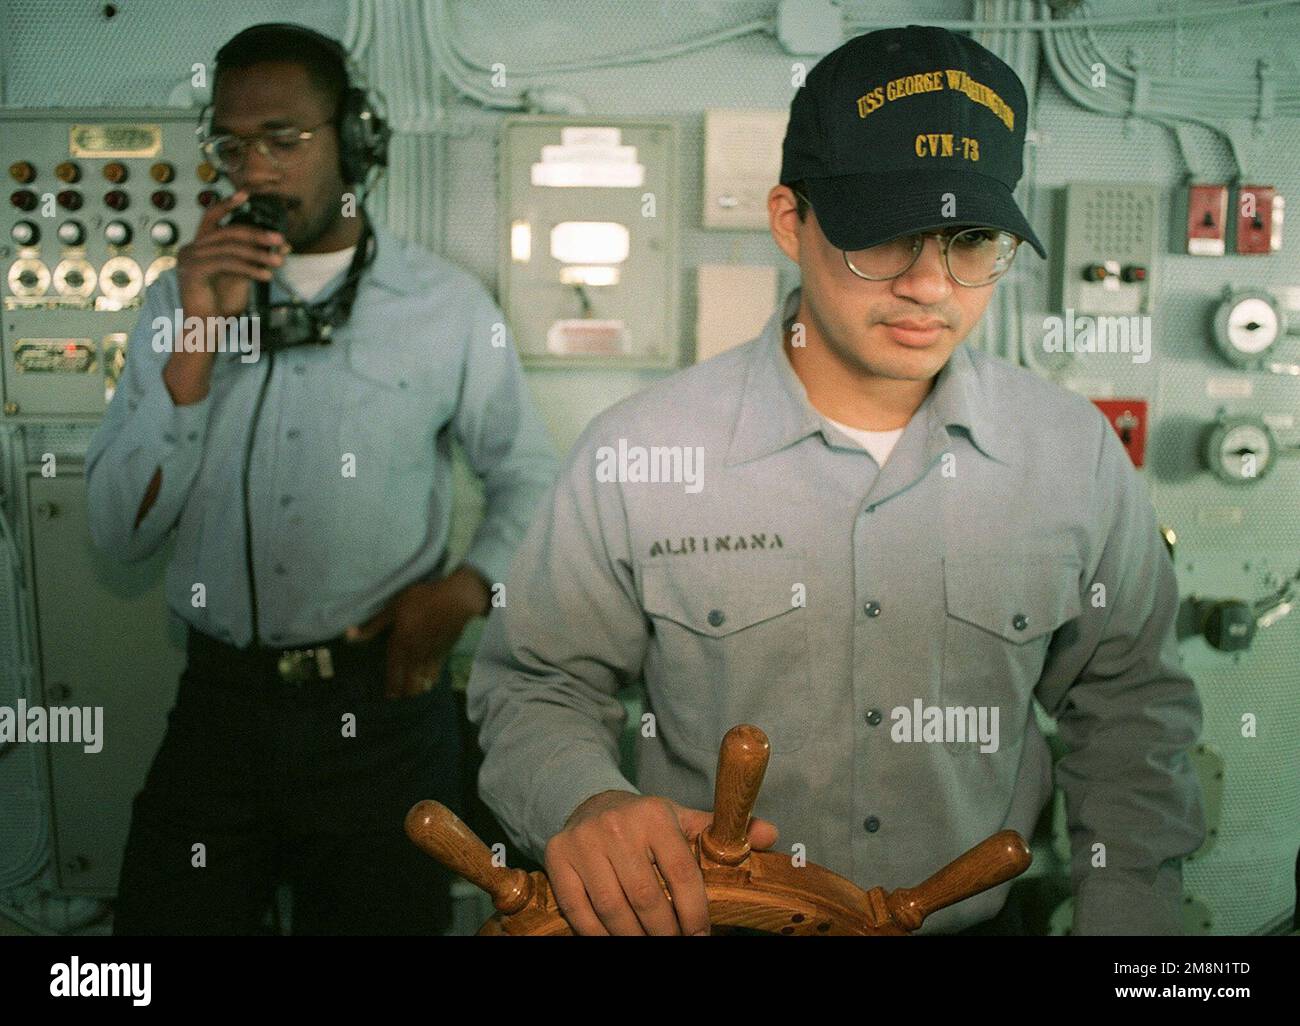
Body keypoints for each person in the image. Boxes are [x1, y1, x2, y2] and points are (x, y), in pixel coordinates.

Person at [466, 24, 1205, 936]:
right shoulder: (642, 454)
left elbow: (1127, 711)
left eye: (970, 240)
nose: (931, 286)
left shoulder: (1072, 456)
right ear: (791, 221)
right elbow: (538, 683)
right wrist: (582, 801)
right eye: (890, 236)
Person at [87, 23, 557, 935]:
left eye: (284, 138)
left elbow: (529, 474)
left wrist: (465, 589)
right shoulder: (171, 304)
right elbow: (117, 536)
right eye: (231, 143)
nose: (253, 168)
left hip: (380, 712)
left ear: (358, 139)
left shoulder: (446, 306)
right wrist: (196, 340)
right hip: (219, 711)